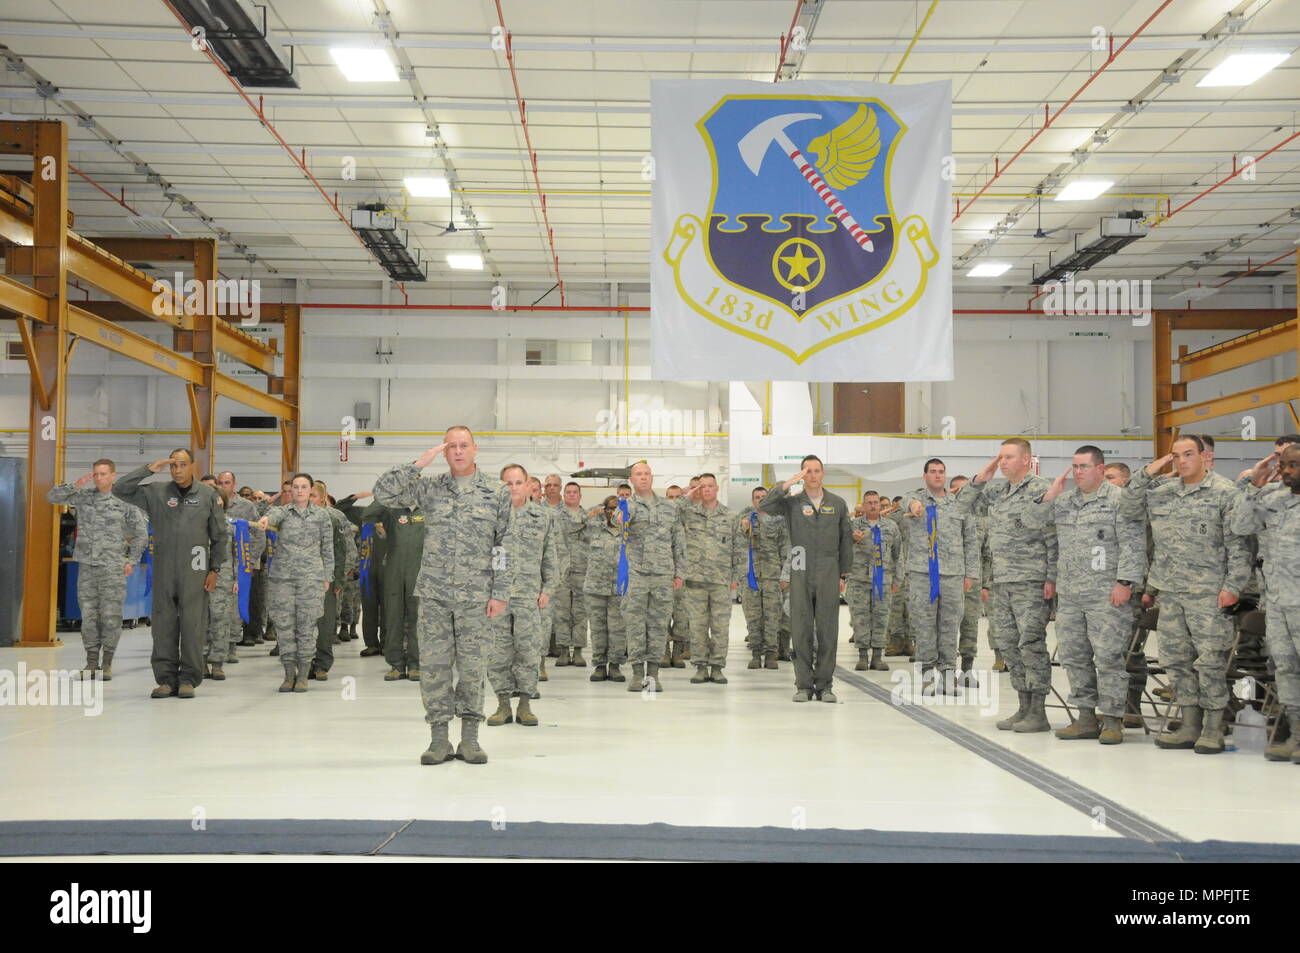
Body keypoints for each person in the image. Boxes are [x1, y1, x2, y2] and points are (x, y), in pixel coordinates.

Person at [373, 427, 510, 766]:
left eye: (464, 446)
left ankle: (470, 739)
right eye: (452, 447)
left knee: (472, 667)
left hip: (476, 595)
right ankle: (438, 740)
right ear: (445, 452)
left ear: (475, 449)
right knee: (434, 668)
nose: (459, 452)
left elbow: (504, 545)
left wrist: (501, 591)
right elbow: (383, 493)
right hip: (434, 593)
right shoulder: (430, 488)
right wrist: (418, 463)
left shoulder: (496, 491)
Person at [1128, 436, 1250, 754]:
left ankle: (1213, 727)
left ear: (1204, 456)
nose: (1182, 461)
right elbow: (1128, 502)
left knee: (1210, 661)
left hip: (1209, 592)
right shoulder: (1163, 491)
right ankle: (1189, 723)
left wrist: (1232, 587)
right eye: (1175, 456)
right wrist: (1155, 469)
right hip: (1170, 591)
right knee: (1176, 660)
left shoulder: (1225, 492)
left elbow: (1239, 546)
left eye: (1188, 454)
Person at [1028, 446, 1146, 745]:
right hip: (1070, 595)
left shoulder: (1119, 500)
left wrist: (1125, 582)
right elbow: (1031, 522)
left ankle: (1112, 719)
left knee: (1108, 658)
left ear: (1099, 468)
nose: (1077, 472)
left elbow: (1134, 543)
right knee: (1074, 657)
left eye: (1083, 466)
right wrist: (1049, 495)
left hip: (1107, 595)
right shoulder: (1065, 502)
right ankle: (1085, 717)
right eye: (1074, 466)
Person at [113, 449, 226, 698]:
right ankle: (165, 679)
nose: (177, 470)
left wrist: (215, 569)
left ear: (192, 466)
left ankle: (188, 678)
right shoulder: (156, 492)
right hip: (164, 570)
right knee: (163, 625)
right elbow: (119, 489)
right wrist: (149, 469)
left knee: (192, 625)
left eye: (182, 465)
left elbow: (219, 536)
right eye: (173, 465)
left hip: (195, 571)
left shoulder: (208, 494)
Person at [961, 439, 1058, 731]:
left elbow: (1053, 536)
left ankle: (1038, 712)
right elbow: (961, 503)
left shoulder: (1041, 489)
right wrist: (983, 476)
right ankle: (1023, 706)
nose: (1003, 462)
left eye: (1009, 457)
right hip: (1001, 581)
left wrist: (1052, 577)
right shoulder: (997, 491)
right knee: (1008, 644)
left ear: (1026, 459)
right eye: (1000, 457)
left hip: (1031, 580)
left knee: (1030, 644)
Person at [758, 455, 853, 703]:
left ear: (823, 474)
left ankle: (825, 686)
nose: (812, 475)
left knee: (828, 631)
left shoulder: (837, 503)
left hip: (829, 570)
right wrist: (788, 483)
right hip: (800, 569)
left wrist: (844, 574)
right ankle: (803, 685)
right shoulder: (792, 503)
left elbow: (846, 540)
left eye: (816, 470)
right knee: (800, 630)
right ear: (802, 474)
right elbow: (766, 505)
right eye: (807, 471)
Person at [46, 459, 148, 680]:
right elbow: (52, 497)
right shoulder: (84, 497)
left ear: (113, 475)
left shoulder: (126, 502)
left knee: (111, 618)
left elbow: (141, 533)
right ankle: (91, 662)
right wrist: (76, 484)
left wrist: (131, 560)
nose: (99, 478)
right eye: (96, 474)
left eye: (103, 474)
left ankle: (107, 663)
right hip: (87, 567)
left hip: (112, 567)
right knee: (89, 617)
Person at [1232, 445, 1300, 762]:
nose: (1287, 471)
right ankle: (1296, 736)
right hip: (1277, 603)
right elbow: (1240, 527)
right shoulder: (1273, 496)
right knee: (1285, 669)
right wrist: (1253, 486)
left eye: (1294, 465)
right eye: (1283, 465)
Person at [487, 465, 560, 727]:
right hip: (498, 596)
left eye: (519, 482)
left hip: (530, 595)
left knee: (528, 651)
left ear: (528, 485)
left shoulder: (543, 516)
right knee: (498, 652)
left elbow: (550, 555)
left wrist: (548, 589)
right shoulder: (492, 517)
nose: (514, 488)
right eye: (508, 483)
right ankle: (503, 704)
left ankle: (526, 705)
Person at [902, 460, 978, 694]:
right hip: (923, 574)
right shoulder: (916, 500)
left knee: (949, 626)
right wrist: (914, 505)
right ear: (924, 475)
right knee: (924, 626)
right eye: (933, 472)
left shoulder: (958, 505)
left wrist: (971, 573)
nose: (938, 475)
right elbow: (906, 501)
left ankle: (947, 675)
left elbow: (970, 539)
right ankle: (927, 677)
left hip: (953, 574)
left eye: (941, 472)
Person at [257, 473, 334, 692]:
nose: (299, 491)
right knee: (285, 627)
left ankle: (303, 674)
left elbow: (327, 549)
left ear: (311, 490)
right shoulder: (283, 512)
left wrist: (327, 576)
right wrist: (265, 520)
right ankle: (288, 674)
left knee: (307, 627)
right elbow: (271, 515)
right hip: (283, 579)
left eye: (304, 487)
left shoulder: (321, 516)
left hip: (311, 579)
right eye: (296, 487)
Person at [616, 461, 685, 693]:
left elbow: (679, 541)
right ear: (631, 480)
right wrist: (625, 509)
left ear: (652, 477)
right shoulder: (627, 505)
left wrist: (679, 572)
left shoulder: (670, 507)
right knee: (635, 624)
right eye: (638, 474)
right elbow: (618, 522)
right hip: (636, 574)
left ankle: (653, 674)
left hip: (663, 574)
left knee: (658, 625)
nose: (643, 477)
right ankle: (637, 673)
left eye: (647, 474)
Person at [676, 474, 740, 684]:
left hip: (721, 580)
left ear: (717, 488)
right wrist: (688, 495)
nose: (706, 490)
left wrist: (736, 577)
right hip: (695, 580)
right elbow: (670, 510)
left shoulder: (730, 516)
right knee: (697, 626)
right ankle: (701, 666)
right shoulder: (689, 513)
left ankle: (717, 666)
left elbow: (739, 548)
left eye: (710, 486)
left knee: (721, 626)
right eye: (702, 487)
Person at [361, 495, 424, 681]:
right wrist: (388, 494)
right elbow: (367, 514)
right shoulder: (390, 509)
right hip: (394, 570)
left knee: (417, 618)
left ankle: (415, 664)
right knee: (393, 617)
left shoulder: (427, 508)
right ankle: (396, 664)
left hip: (420, 571)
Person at [846, 490, 901, 672]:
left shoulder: (891, 527)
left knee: (881, 618)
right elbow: (842, 551)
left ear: (880, 504)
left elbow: (898, 554)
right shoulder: (853, 526)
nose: (872, 506)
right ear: (863, 505)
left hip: (883, 580)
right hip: (858, 580)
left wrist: (897, 579)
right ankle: (862, 656)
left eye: (876, 502)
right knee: (860, 618)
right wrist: (852, 541)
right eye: (868, 502)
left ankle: (877, 656)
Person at [737, 486, 789, 670]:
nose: (760, 500)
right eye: (756, 497)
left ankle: (770, 654)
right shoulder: (743, 518)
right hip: (750, 577)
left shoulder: (779, 520)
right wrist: (743, 528)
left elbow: (785, 548)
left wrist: (786, 575)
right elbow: (736, 545)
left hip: (772, 576)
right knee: (753, 616)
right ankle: (755, 653)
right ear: (752, 500)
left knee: (772, 616)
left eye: (763, 497)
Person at [310, 482, 355, 680]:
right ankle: (302, 662)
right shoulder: (295, 517)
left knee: (325, 624)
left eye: (313, 495)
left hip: (326, 579)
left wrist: (340, 580)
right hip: (301, 578)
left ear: (322, 497)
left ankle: (321, 664)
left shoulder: (335, 517)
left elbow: (347, 549)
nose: (308, 498)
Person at [217, 471, 266, 650]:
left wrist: (251, 561)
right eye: (220, 483)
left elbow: (259, 535)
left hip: (240, 563)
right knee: (216, 607)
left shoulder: (247, 507)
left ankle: (232, 644)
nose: (223, 486)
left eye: (227, 482)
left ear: (234, 484)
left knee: (236, 605)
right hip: (218, 563)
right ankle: (215, 645)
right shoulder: (211, 504)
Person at [585, 495, 628, 683]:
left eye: (617, 509)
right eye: (609, 509)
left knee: (618, 629)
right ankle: (600, 665)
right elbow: (569, 528)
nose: (613, 512)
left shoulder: (630, 533)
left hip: (620, 589)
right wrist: (592, 513)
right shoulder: (594, 529)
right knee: (597, 628)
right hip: (596, 587)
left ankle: (616, 665)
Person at [201, 481, 239, 681]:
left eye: (218, 501)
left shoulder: (231, 526)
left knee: (220, 621)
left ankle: (217, 663)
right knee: (201, 621)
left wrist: (237, 579)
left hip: (223, 579)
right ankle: (201, 661)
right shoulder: (198, 525)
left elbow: (238, 556)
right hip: (199, 577)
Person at [552, 481, 590, 667]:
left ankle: (579, 651)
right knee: (562, 611)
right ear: (563, 494)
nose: (572, 495)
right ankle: (564, 650)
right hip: (561, 570)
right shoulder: (555, 515)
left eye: (575, 492)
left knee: (581, 612)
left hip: (583, 570)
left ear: (580, 495)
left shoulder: (589, 517)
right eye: (568, 492)